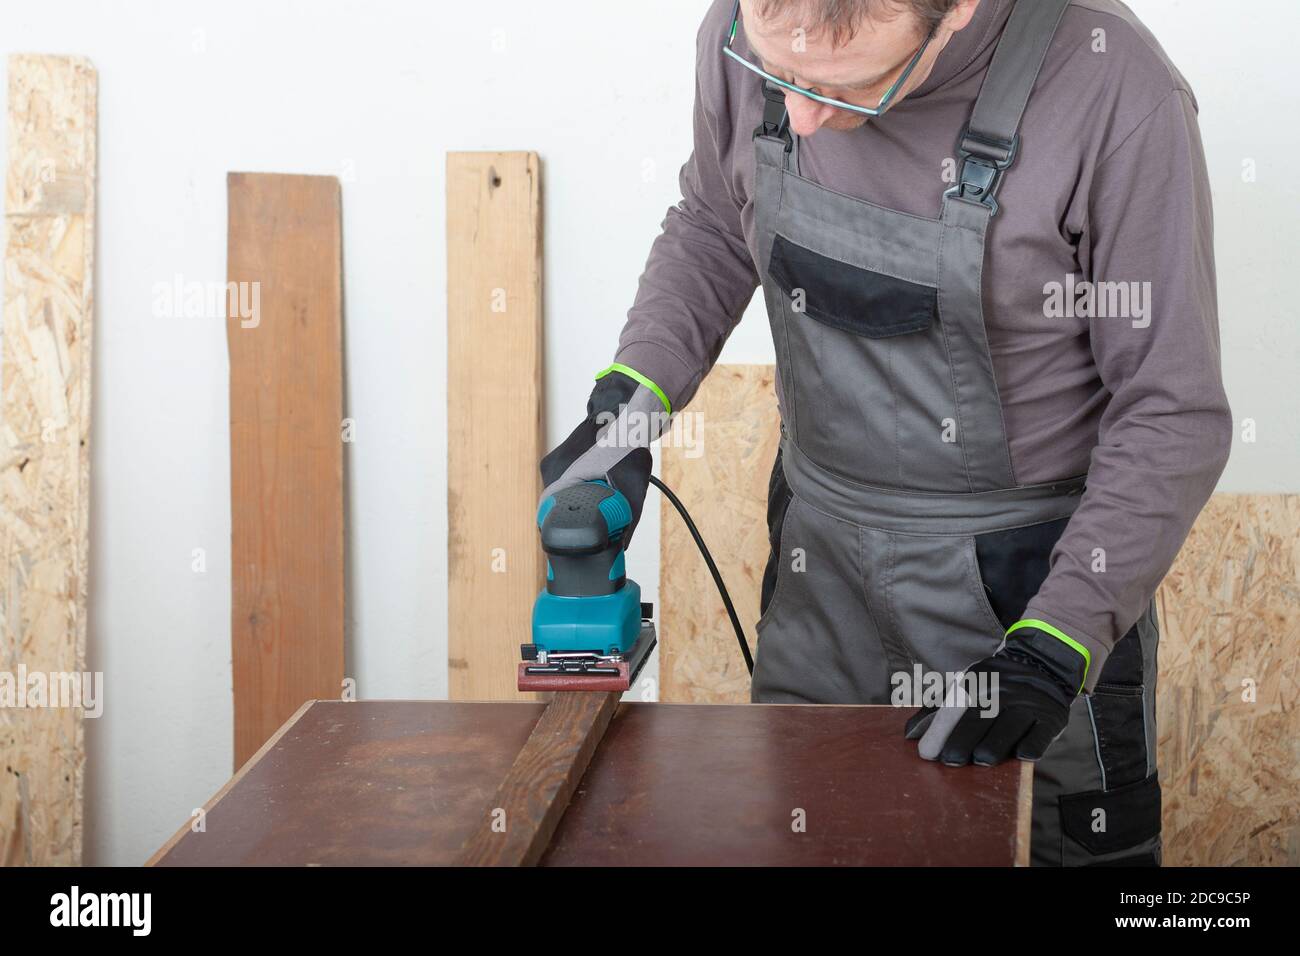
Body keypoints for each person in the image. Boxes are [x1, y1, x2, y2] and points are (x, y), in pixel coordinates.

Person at [540, 0, 1231, 866]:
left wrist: (1058, 644)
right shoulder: (751, 28)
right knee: (810, 832)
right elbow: (717, 222)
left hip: (1028, 583)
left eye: (846, 90)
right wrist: (629, 404)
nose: (799, 117)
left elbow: (1171, 411)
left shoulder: (1111, 87)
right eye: (773, 76)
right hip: (818, 564)